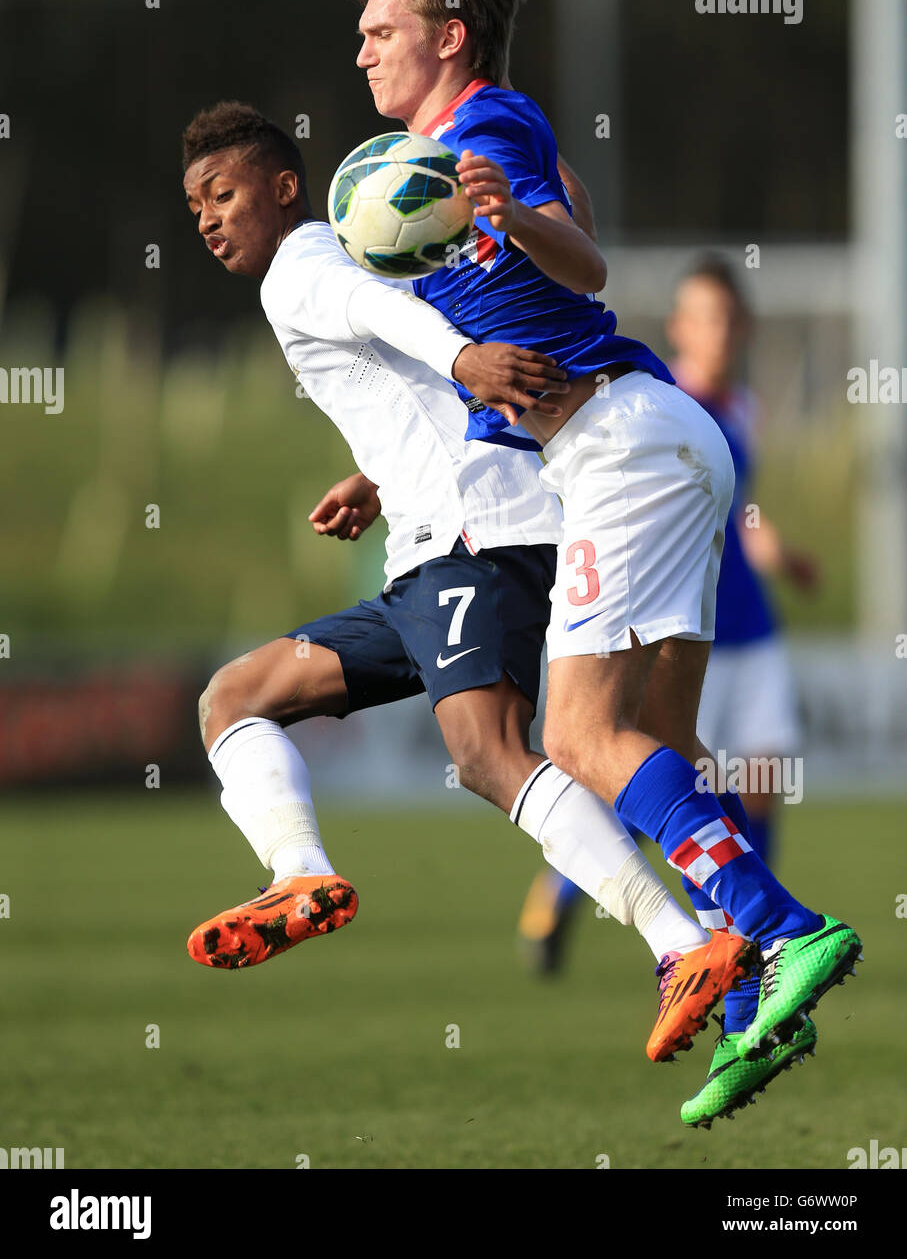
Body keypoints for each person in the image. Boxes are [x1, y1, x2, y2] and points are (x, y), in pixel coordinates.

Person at [345, 0, 861, 1072]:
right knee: (656, 753)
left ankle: (787, 926)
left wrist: (510, 213)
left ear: (451, 33)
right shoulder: (447, 171)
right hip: (664, 443)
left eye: (383, 28)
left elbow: (582, 259)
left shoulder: (482, 129)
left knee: (573, 736)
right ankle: (747, 1011)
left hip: (623, 447)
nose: (365, 50)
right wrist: (378, 468)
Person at [179, 101, 753, 1062]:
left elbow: (385, 317)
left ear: (283, 188)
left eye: (222, 194)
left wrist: (464, 359)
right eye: (195, 204)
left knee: (491, 753)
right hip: (425, 552)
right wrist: (377, 472)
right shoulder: (345, 255)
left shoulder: (302, 269)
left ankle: (683, 943)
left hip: (481, 537)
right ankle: (301, 874)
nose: (205, 218)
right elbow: (405, 355)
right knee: (234, 699)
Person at [517, 253, 822, 1124]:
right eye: (705, 318)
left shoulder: (736, 413)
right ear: (683, 328)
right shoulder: (653, 400)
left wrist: (774, 553)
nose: (719, 333)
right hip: (667, 607)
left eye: (731, 319)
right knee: (641, 761)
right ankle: (572, 887)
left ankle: (756, 966)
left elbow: (744, 517)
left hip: (743, 626)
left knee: (739, 783)